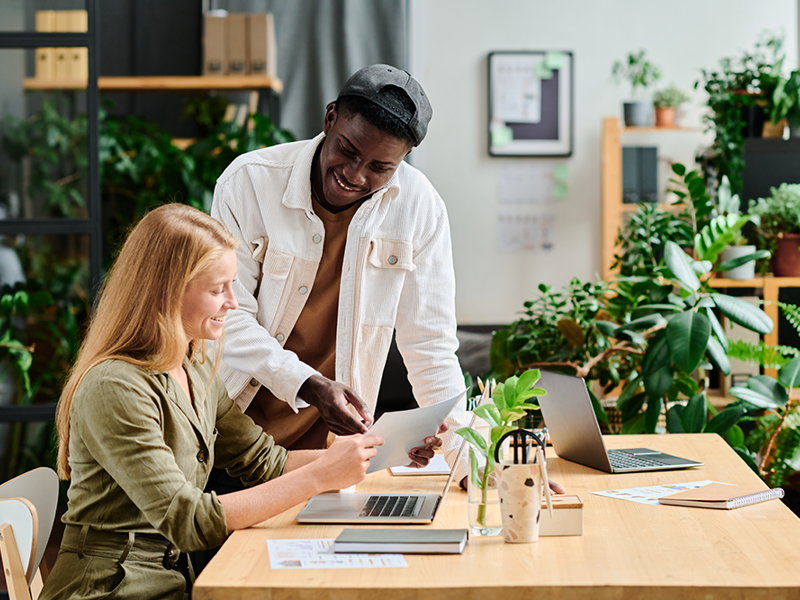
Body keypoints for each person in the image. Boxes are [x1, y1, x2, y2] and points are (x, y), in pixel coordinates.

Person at [39, 204, 383, 600]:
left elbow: (264, 461)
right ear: (167, 293)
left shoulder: (195, 365)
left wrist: (371, 452)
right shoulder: (114, 387)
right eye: (218, 289)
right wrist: (320, 476)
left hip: (171, 580)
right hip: (109, 589)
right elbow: (188, 520)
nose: (233, 303)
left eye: (232, 285)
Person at [210, 63, 469, 476]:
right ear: (330, 118)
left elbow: (431, 346)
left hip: (333, 457)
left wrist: (474, 465)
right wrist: (309, 384)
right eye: (348, 150)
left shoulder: (420, 208)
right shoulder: (250, 182)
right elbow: (227, 316)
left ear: (403, 159)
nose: (355, 175)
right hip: (231, 440)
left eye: (380, 167)